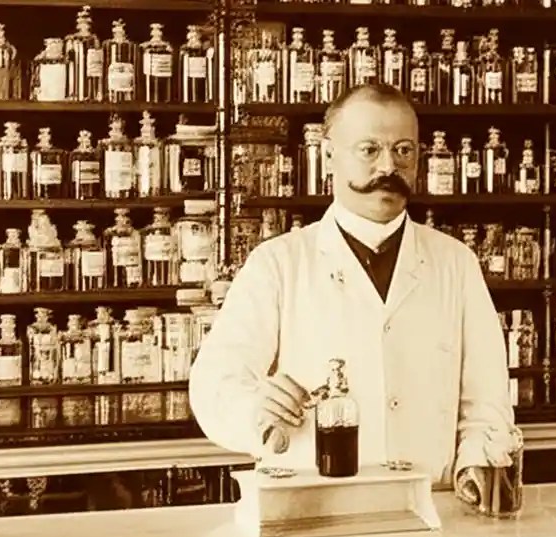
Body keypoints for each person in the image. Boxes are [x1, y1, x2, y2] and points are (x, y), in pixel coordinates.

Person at [188, 83, 516, 486]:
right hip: (311, 510)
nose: (388, 168)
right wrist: (256, 407)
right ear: (328, 156)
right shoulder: (278, 264)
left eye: (403, 150)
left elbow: (487, 397)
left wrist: (477, 462)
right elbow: (214, 381)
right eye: (369, 150)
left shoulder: (455, 263)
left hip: (432, 509)